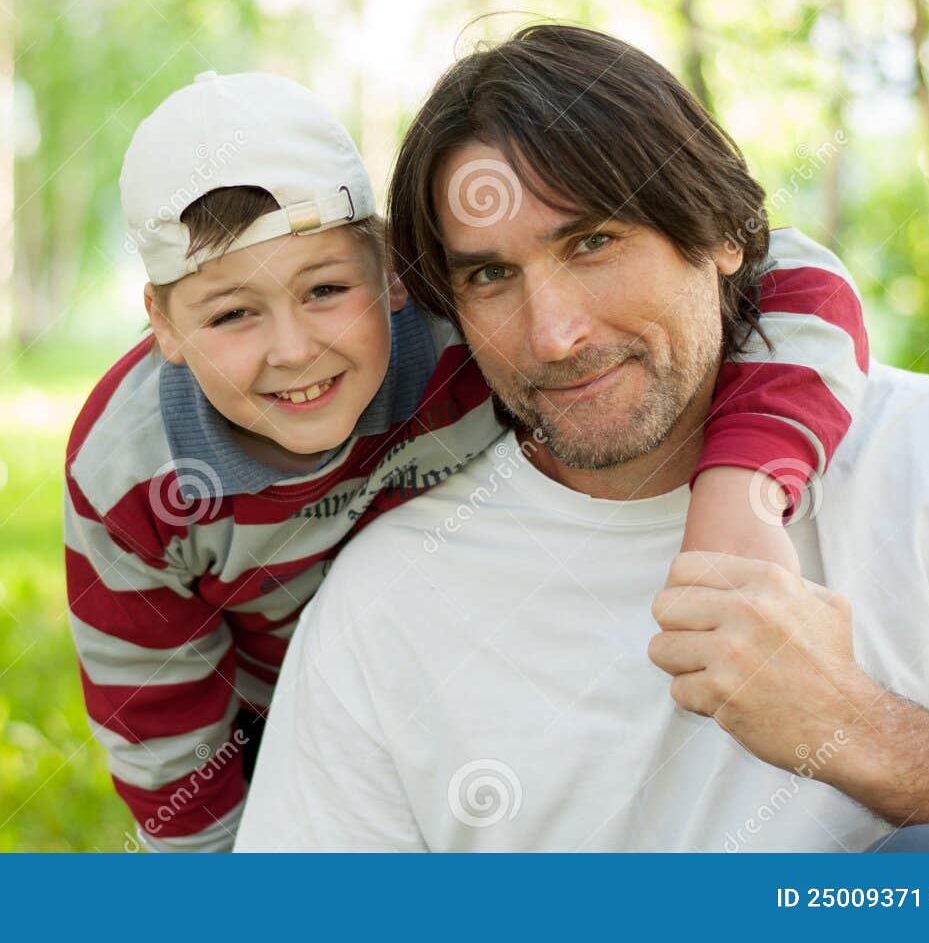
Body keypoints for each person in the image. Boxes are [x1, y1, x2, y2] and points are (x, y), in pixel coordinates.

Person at [233, 24, 929, 852]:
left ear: (724, 235)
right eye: (492, 274)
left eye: (592, 242)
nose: (554, 333)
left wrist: (861, 732)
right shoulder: (388, 599)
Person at [65, 67, 869, 850]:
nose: (294, 349)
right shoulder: (129, 476)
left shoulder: (475, 331)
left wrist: (741, 494)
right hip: (271, 736)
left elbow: (788, 273)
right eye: (234, 313)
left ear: (389, 274)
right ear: (162, 325)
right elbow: (157, 722)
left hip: (457, 696)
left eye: (325, 291)